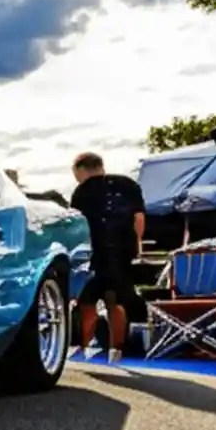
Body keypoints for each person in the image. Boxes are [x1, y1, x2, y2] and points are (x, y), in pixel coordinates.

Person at [70, 152, 145, 364]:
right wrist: (136, 246)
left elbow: (78, 227)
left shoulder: (81, 192)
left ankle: (82, 349)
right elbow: (138, 219)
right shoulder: (128, 185)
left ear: (80, 169)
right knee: (117, 301)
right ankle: (116, 351)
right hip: (121, 252)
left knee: (87, 304)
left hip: (93, 252)